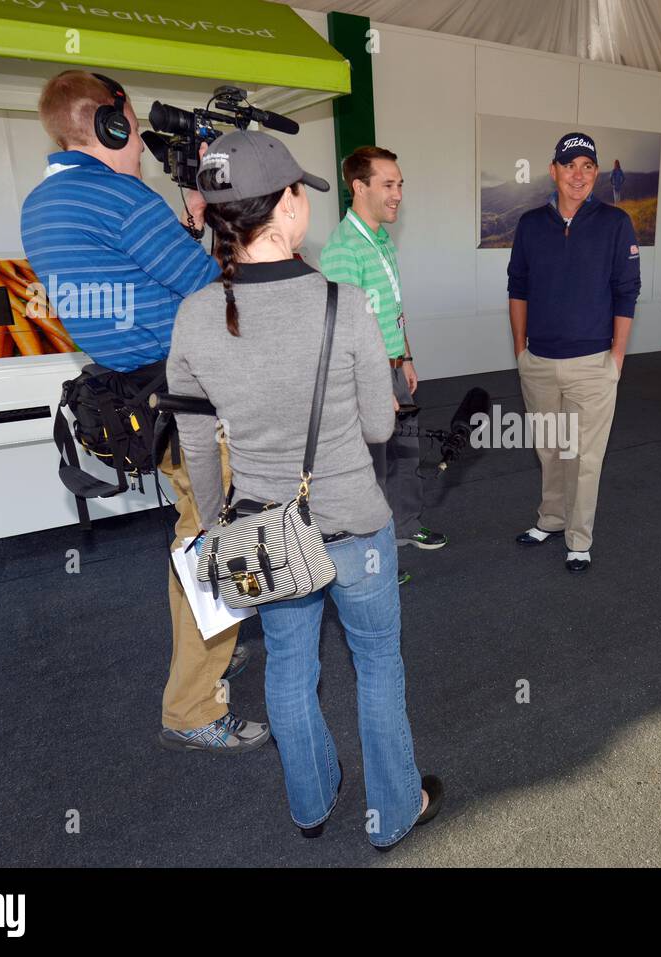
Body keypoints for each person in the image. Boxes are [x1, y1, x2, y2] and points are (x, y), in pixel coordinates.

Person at [168, 130, 442, 848]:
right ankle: (391, 813)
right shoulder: (342, 303)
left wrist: (213, 521)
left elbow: (197, 446)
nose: (303, 205)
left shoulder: (195, 315)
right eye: (299, 193)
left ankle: (312, 802)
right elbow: (382, 427)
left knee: (290, 667)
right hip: (354, 522)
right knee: (378, 663)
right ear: (285, 209)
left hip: (264, 533)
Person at [20, 71, 265, 753]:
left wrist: (185, 224)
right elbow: (214, 288)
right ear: (110, 125)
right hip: (191, 397)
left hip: (138, 397)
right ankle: (193, 705)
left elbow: (133, 275)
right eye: (129, 121)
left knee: (193, 534)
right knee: (216, 539)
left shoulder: (43, 202)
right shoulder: (123, 199)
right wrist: (227, 228)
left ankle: (213, 641)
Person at [507, 133, 641, 573]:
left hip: (593, 364)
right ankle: (550, 518)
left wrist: (617, 357)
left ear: (597, 173)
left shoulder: (616, 223)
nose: (578, 174)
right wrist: (520, 352)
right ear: (554, 170)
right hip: (539, 362)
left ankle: (578, 538)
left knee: (584, 456)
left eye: (587, 166)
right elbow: (518, 289)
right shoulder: (530, 224)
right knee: (549, 448)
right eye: (570, 165)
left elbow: (627, 292)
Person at [320, 147, 447, 586]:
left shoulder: (381, 238)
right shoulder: (342, 250)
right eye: (388, 185)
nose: (397, 195)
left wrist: (405, 356)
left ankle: (407, 528)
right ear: (360, 187)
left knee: (405, 456)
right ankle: (372, 562)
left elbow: (391, 309)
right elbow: (348, 334)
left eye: (400, 185)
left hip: (393, 368)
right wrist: (378, 385)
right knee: (370, 471)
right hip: (367, 376)